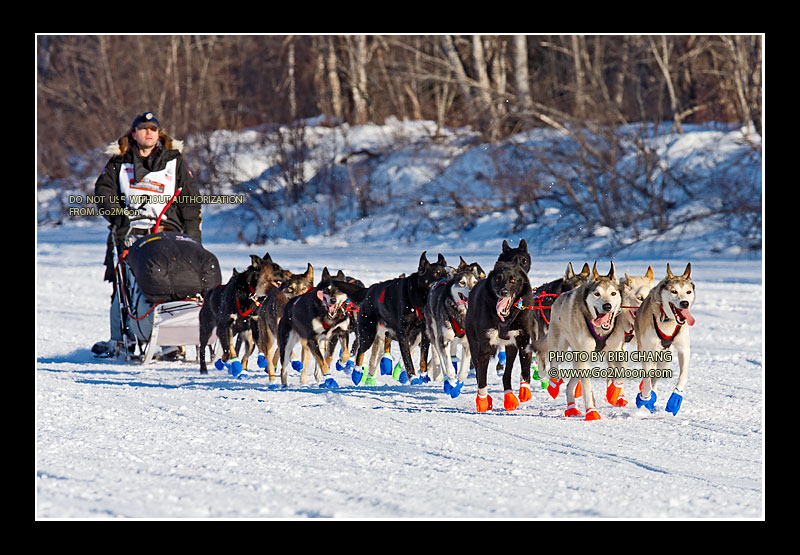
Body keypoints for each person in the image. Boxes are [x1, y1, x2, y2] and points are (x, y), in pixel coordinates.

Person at [91, 111, 203, 357]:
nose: (148, 133)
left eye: (153, 129)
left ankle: (171, 342)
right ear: (134, 134)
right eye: (143, 128)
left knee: (171, 285)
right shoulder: (119, 162)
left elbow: (190, 202)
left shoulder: (174, 161)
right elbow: (103, 193)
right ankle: (120, 339)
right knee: (124, 284)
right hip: (130, 233)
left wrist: (194, 238)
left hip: (167, 232)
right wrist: (119, 218)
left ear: (159, 134)